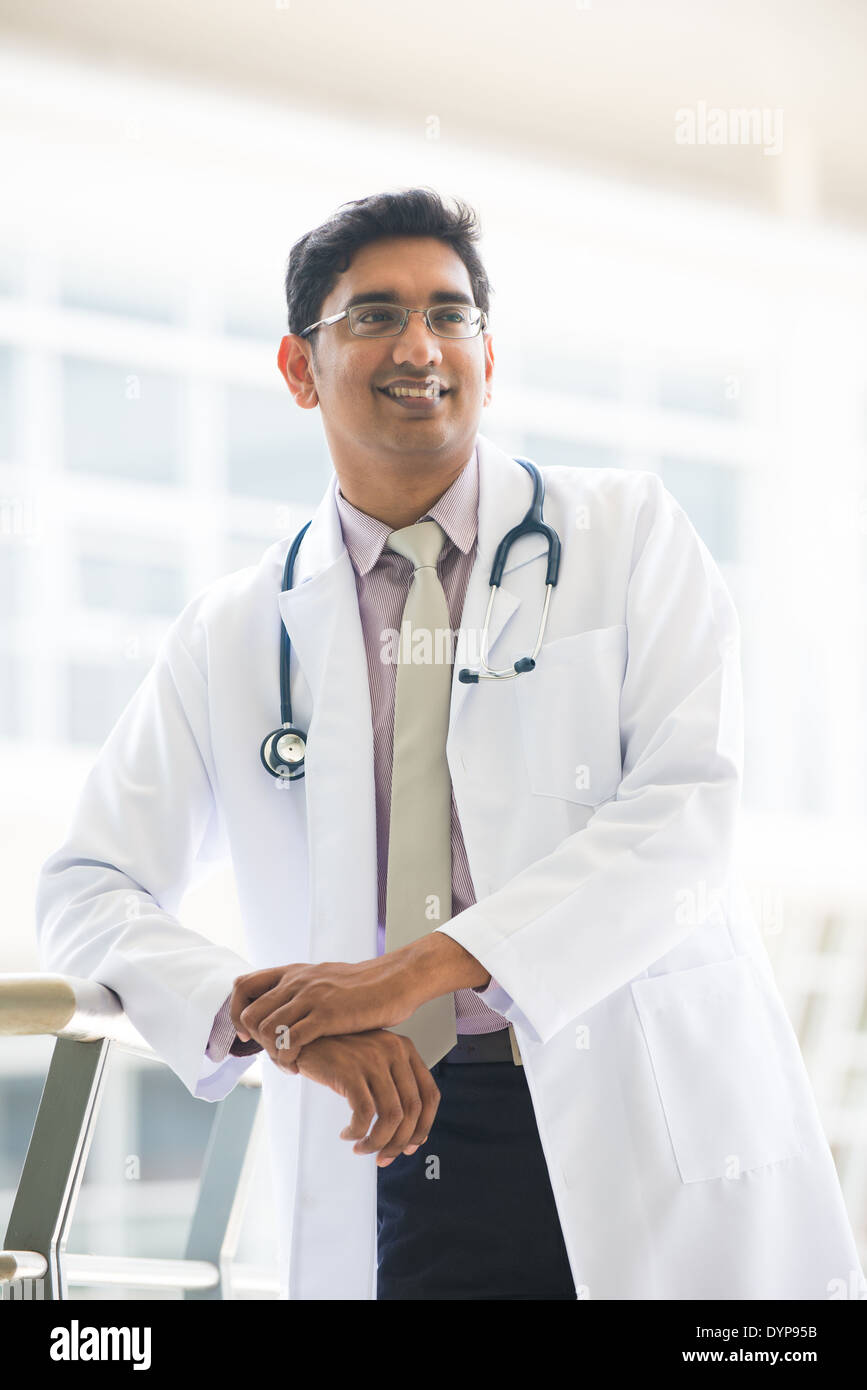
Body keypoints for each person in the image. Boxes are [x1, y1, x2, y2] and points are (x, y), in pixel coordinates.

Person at [36, 187, 865, 1301]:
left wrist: (409, 972)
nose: (419, 344)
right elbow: (89, 887)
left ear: (487, 353)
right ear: (298, 367)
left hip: (645, 1114)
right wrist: (281, 1023)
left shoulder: (629, 536)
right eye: (374, 314)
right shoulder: (234, 631)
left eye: (451, 313)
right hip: (397, 1133)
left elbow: (686, 818)